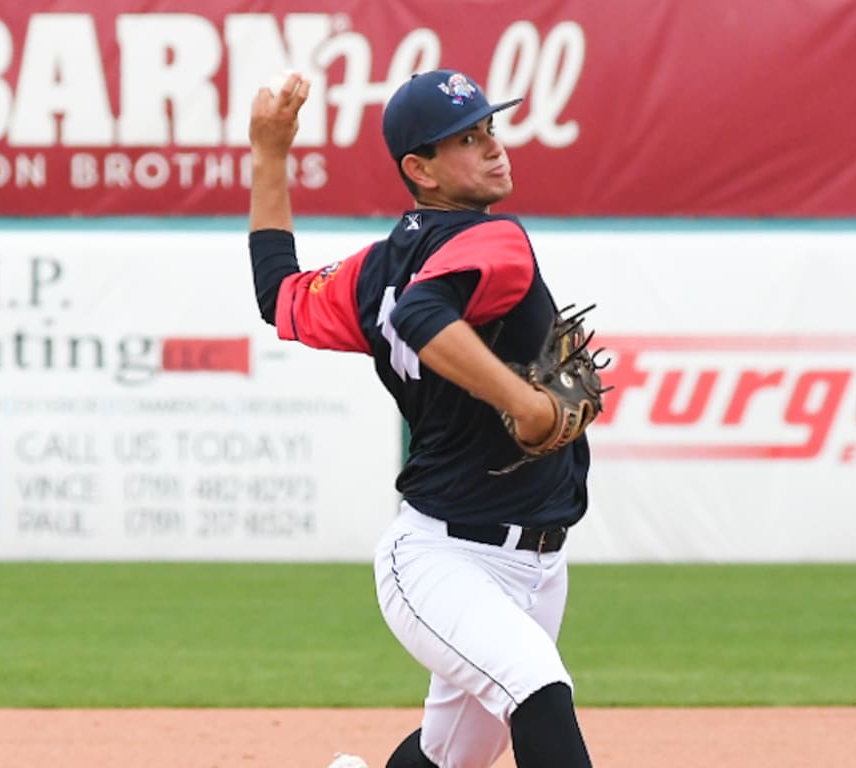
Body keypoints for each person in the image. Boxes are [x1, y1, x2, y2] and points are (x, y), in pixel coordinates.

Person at [246, 70, 596, 768]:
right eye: (466, 139)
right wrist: (525, 404)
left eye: (490, 129)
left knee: (450, 757)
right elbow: (423, 314)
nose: (492, 147)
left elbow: (278, 293)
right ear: (420, 170)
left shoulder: (374, 269)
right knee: (540, 692)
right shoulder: (496, 242)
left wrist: (270, 158)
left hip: (534, 562)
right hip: (443, 558)